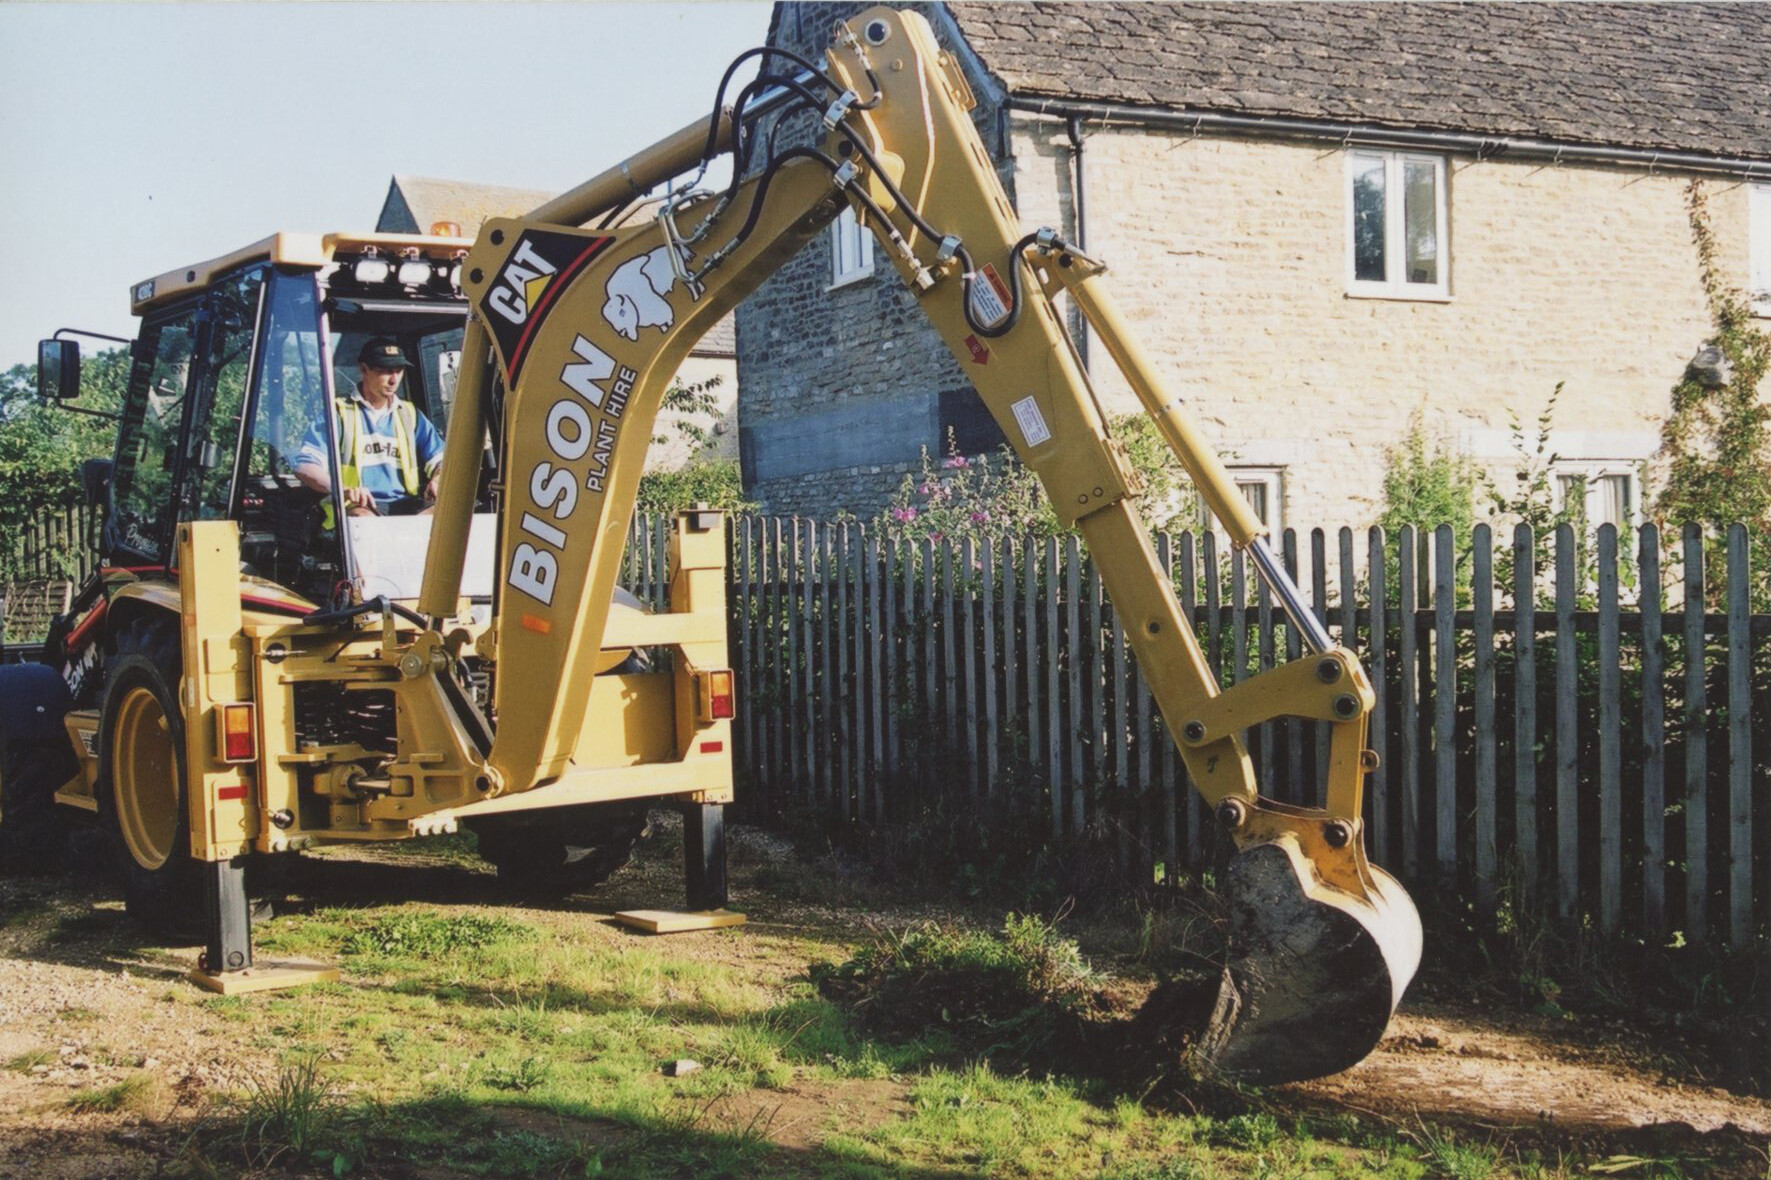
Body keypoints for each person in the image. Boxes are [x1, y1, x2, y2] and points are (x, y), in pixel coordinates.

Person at [295, 337, 444, 519]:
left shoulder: (410, 414)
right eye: (386, 371)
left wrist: (437, 480)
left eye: (399, 371)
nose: (394, 380)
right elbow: (305, 466)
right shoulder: (338, 413)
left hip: (406, 506)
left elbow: (442, 460)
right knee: (364, 521)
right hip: (356, 506)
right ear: (364, 369)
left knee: (449, 517)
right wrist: (344, 489)